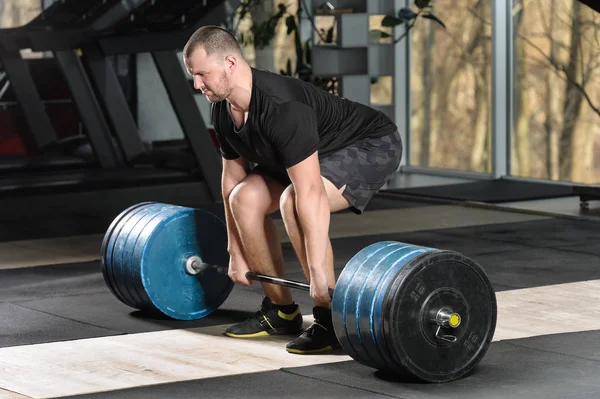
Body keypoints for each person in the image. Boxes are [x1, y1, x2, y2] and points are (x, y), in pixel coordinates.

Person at [183, 25, 402, 354]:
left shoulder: (282, 107)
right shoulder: (223, 108)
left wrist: (316, 274)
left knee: (292, 201)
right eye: (194, 75)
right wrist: (235, 252)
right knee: (245, 198)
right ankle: (281, 311)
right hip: (305, 156)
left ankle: (329, 319)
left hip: (369, 144)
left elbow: (310, 193)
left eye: (202, 74)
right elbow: (231, 181)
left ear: (230, 62)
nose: (197, 84)